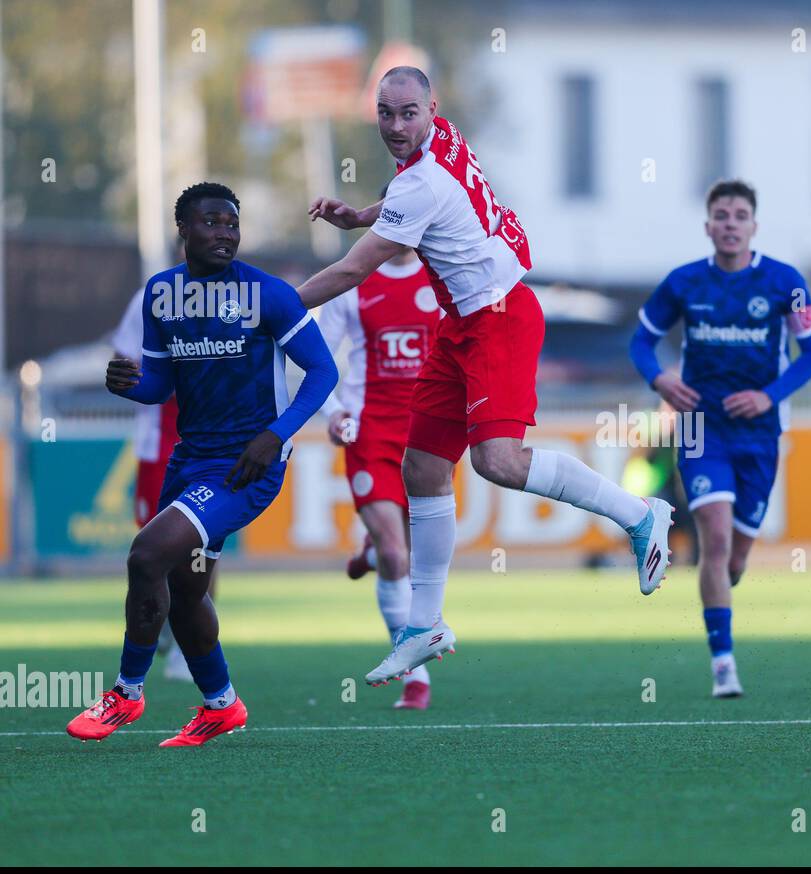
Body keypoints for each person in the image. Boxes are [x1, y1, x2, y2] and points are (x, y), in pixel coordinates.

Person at [295, 66, 673, 690]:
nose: (395, 125)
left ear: (430, 107)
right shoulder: (437, 138)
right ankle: (424, 625)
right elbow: (418, 198)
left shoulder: (420, 177)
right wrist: (363, 213)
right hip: (460, 318)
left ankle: (639, 516)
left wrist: (270, 312)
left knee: (497, 461)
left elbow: (348, 274)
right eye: (385, 112)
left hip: (498, 314)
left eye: (406, 113)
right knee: (422, 466)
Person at [66, 182, 338, 746]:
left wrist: (275, 435)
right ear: (183, 230)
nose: (225, 233)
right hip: (191, 459)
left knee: (146, 555)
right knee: (187, 590)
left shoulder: (269, 293)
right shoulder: (162, 295)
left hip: (246, 465)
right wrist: (130, 385)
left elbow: (322, 373)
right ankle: (222, 705)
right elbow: (162, 383)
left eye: (232, 223)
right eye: (211, 222)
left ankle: (126, 693)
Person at [630, 180, 811, 697]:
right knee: (713, 541)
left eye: (740, 215)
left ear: (754, 225)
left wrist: (770, 395)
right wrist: (660, 379)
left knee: (735, 560)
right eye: (721, 215)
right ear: (708, 226)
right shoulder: (684, 283)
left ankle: (721, 602)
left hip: (760, 434)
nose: (731, 223)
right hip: (699, 428)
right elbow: (641, 341)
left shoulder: (787, 283)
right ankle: (723, 665)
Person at [317, 228, 444, 710]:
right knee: (397, 556)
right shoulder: (353, 284)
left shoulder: (440, 282)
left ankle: (370, 556)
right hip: (369, 434)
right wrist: (334, 413)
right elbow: (315, 359)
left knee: (409, 557)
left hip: (427, 435)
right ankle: (415, 675)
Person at [108, 237, 192, 681]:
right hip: (157, 442)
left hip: (210, 441)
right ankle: (156, 623)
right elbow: (123, 358)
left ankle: (186, 642)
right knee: (151, 547)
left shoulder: (239, 298)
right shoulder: (152, 296)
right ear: (182, 245)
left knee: (198, 548)